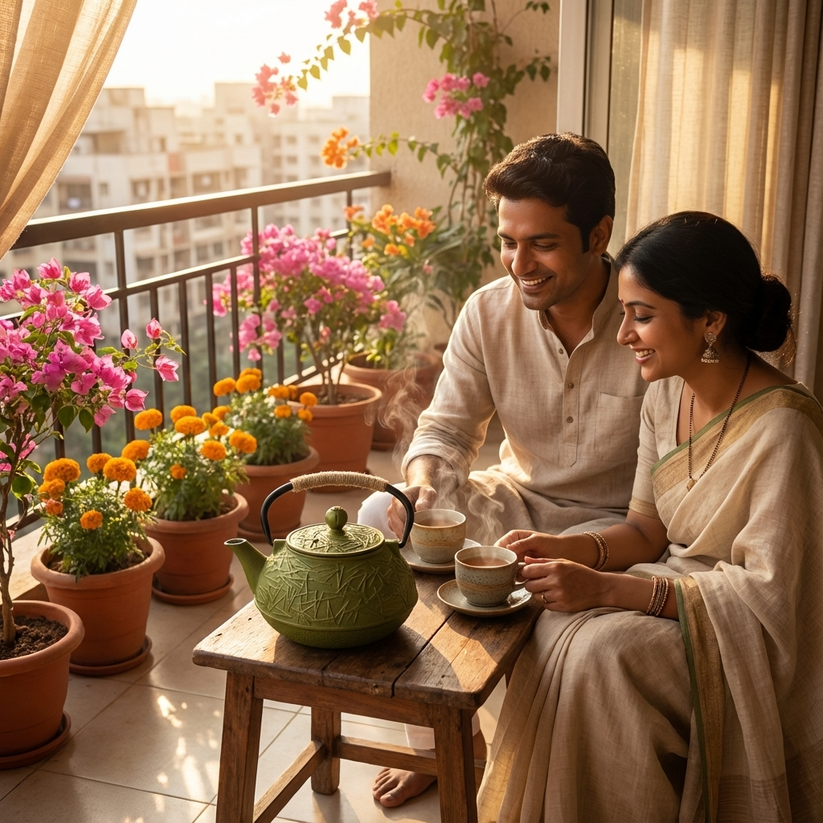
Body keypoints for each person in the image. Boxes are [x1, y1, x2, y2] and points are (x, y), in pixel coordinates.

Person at [476, 211, 823, 822]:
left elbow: (770, 598)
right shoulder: (667, 390)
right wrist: (562, 549)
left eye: (642, 316)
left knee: (600, 655)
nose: (623, 335)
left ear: (710, 321)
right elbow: (647, 530)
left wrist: (606, 587)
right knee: (548, 624)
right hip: (684, 588)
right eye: (625, 313)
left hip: (742, 633)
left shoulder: (785, 430)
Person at [365, 132, 648, 808]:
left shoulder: (645, 321)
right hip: (516, 505)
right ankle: (438, 746)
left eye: (542, 243)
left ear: (598, 233)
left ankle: (529, 767)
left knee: (561, 635)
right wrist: (426, 478)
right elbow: (446, 426)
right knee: (383, 528)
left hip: (624, 534)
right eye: (507, 241)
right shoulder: (488, 311)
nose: (519, 263)